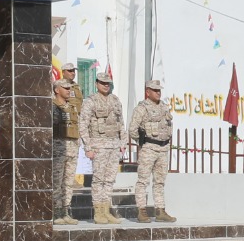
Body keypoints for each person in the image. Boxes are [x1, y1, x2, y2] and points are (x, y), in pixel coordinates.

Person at [128, 79, 175, 222]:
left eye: (159, 90)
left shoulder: (164, 107)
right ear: (147, 92)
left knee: (160, 181)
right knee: (143, 181)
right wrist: (142, 142)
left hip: (163, 148)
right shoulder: (142, 108)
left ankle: (160, 211)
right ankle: (142, 211)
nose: (158, 93)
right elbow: (132, 129)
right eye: (155, 90)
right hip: (149, 148)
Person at [81, 72, 125, 225]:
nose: (106, 85)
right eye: (102, 83)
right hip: (98, 146)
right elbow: (83, 125)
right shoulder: (90, 101)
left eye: (108, 83)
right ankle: (98, 212)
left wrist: (123, 143)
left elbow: (121, 124)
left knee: (110, 180)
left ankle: (106, 210)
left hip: (114, 145)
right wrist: (88, 147)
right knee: (99, 180)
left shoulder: (115, 100)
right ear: (96, 84)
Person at [53, 71, 83, 224]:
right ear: (57, 90)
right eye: (65, 88)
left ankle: (66, 211)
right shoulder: (52, 106)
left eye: (69, 88)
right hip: (58, 147)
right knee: (56, 181)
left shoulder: (73, 107)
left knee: (69, 182)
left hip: (72, 147)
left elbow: (79, 125)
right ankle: (56, 212)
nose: (68, 90)